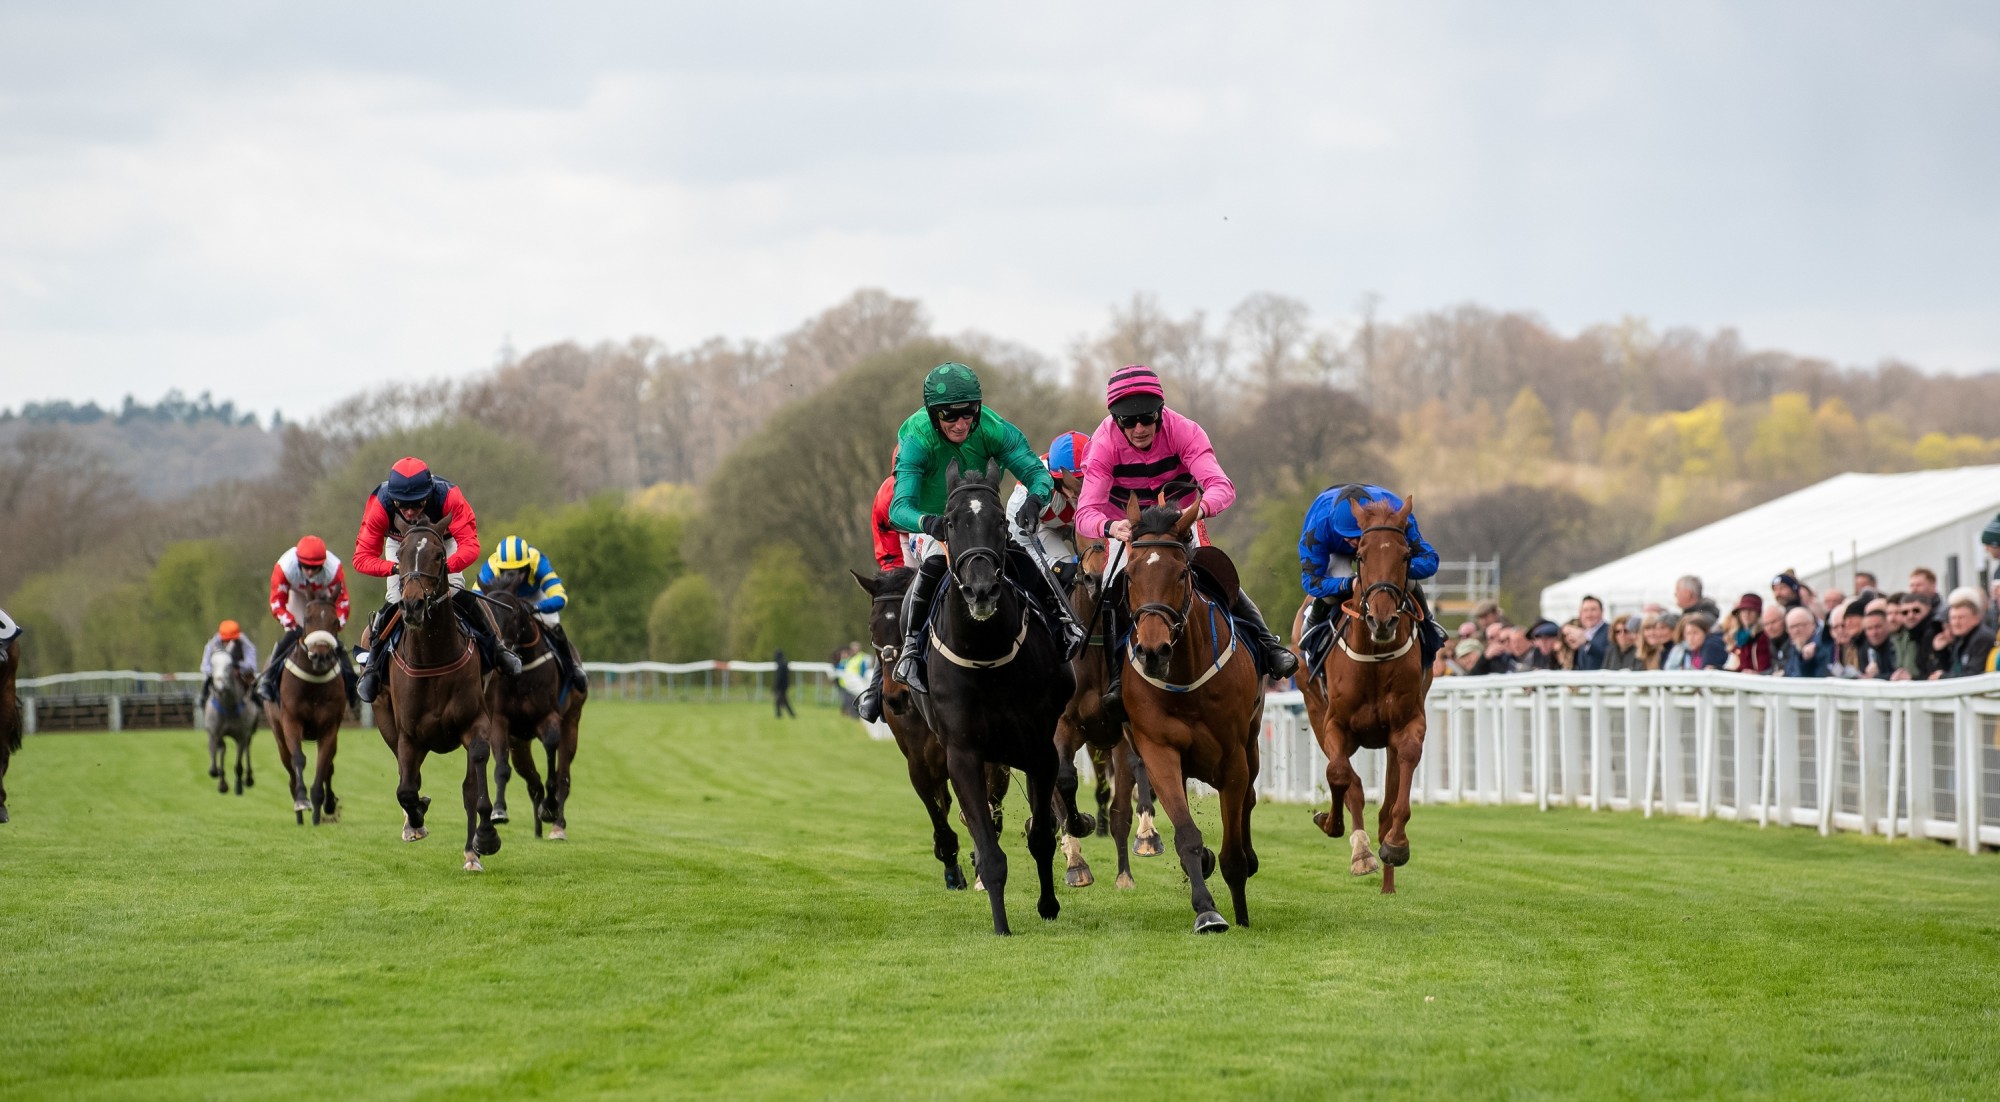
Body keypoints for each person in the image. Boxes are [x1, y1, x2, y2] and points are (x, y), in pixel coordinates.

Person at [1074, 364, 1298, 710]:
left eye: (1146, 418)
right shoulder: (1103, 443)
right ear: (1116, 420)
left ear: (1160, 412)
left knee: (1214, 571)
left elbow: (1222, 486)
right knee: (1112, 590)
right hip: (1129, 525)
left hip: (1178, 519)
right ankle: (1118, 678)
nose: (1138, 429)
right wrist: (1111, 527)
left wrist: (1197, 511)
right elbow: (1085, 512)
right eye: (1128, 422)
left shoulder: (1184, 431)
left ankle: (1268, 646)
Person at [884, 363, 1086, 695]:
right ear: (933, 415)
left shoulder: (994, 428)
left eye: (968, 413)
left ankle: (1060, 624)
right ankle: (910, 648)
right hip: (934, 521)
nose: (961, 423)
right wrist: (929, 523)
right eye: (950, 416)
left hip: (980, 518)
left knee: (1017, 556)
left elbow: (1037, 473)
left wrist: (1035, 499)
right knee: (937, 560)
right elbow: (898, 509)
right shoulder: (916, 438)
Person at [350, 457, 519, 704]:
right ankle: (373, 666)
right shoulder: (380, 504)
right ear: (392, 499)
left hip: (441, 542)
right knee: (396, 598)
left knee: (456, 591)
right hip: (402, 546)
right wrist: (396, 568)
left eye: (417, 504)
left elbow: (470, 545)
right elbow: (361, 558)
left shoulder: (449, 496)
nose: (409, 512)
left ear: (428, 494)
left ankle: (496, 648)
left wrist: (442, 568)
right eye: (402, 505)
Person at [1295, 483, 1446, 668]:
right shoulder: (1318, 527)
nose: (1355, 542)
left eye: (1359, 536)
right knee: (1334, 588)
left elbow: (1430, 561)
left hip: (1378, 545)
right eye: (1348, 536)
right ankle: (1313, 626)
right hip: (1335, 552)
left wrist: (1393, 568)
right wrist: (1348, 584)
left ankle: (1428, 622)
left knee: (1406, 580)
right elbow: (1311, 581)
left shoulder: (1396, 515)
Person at [475, 536, 588, 694]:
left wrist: (536, 607)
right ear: (499, 566)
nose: (513, 575)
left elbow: (560, 597)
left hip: (533, 598)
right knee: (484, 628)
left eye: (519, 570)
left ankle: (571, 667)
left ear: (528, 565)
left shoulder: (538, 562)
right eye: (506, 571)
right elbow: (476, 599)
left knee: (552, 622)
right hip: (504, 599)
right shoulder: (491, 566)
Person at [257, 535, 356, 708]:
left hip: (325, 597)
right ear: (298, 561)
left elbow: (343, 603)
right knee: (292, 635)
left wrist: (334, 626)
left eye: (315, 568)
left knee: (332, 640)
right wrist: (291, 624)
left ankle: (352, 684)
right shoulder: (284, 567)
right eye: (305, 567)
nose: (310, 572)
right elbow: (277, 602)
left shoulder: (334, 568)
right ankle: (268, 679)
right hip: (297, 595)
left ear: (323, 564)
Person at [1006, 430, 1093, 588]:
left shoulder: (1108, 469)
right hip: (1043, 528)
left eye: (1087, 480)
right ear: (1055, 478)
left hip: (1083, 523)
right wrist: (1057, 567)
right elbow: (1022, 547)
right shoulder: (1023, 496)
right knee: (1069, 580)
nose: (1078, 492)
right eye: (1074, 484)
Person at [1929, 589, 1996, 679]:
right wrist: (1941, 651)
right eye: (1953, 618)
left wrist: (1943, 677)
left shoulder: (1983, 638)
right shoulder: (1960, 639)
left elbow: (1973, 675)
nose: (1956, 623)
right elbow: (1951, 670)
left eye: (1961, 617)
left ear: (1976, 618)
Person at [198, 620, 259, 709]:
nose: (229, 643)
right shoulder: (213, 643)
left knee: (252, 680)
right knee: (207, 679)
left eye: (233, 640)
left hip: (239, 669)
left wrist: (239, 667)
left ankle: (256, 700)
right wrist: (215, 672)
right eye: (226, 640)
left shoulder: (244, 642)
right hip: (218, 672)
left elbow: (252, 665)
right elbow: (204, 667)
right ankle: (203, 698)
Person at [1722, 594, 1772, 674]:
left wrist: (1757, 674)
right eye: (1743, 610)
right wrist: (1716, 668)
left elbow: (1764, 668)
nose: (1747, 614)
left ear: (1758, 614)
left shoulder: (1762, 637)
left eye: (1751, 610)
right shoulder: (1737, 637)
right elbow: (1736, 668)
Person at [1858, 605, 1908, 680]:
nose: (1874, 633)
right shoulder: (1864, 648)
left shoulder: (1896, 645)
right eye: (1869, 628)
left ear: (1887, 625)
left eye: (1878, 627)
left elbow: (1900, 673)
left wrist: (1874, 677)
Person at [1779, 608, 1830, 678]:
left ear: (1813, 624)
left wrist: (1807, 660)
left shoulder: (1822, 645)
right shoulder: (1792, 647)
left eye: (1800, 625)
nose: (1796, 630)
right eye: (1792, 627)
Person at [1572, 596, 1610, 670]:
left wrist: (1587, 643)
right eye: (1585, 610)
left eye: (1593, 610)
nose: (1589, 614)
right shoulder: (1582, 634)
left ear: (1602, 612)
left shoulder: (1610, 632)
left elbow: (1608, 656)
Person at [772, 649, 796, 718]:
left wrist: (776, 686)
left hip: (781, 686)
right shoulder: (784, 664)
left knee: (780, 700)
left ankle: (780, 714)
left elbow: (779, 677)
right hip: (784, 685)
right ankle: (786, 714)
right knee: (783, 700)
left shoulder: (780, 665)